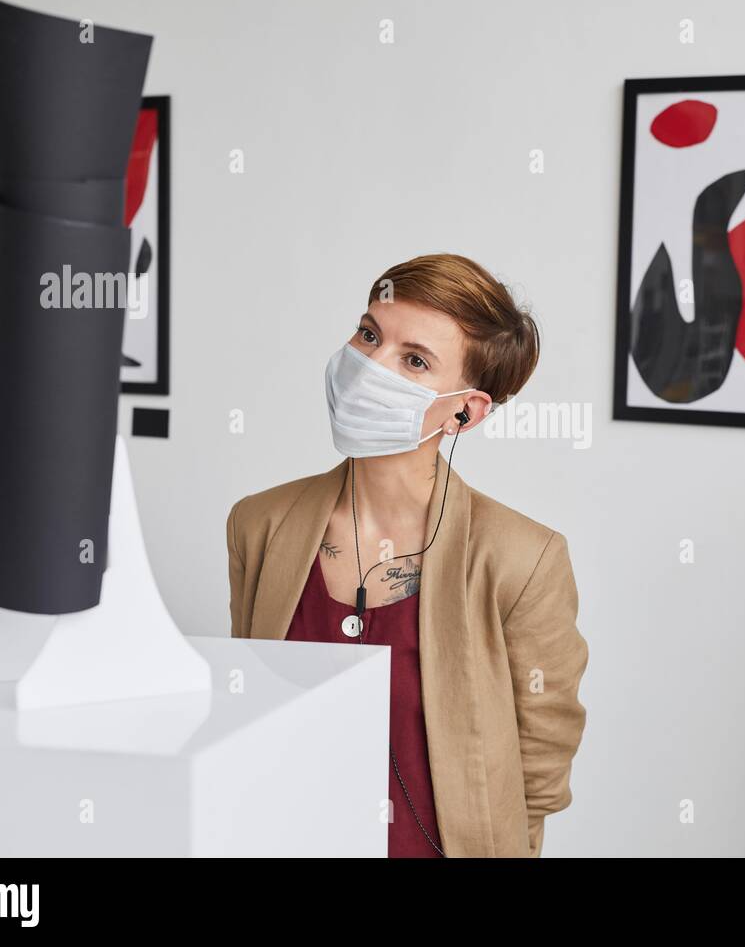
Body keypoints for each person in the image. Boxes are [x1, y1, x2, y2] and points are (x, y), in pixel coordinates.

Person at [226, 253, 589, 858]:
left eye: (414, 360)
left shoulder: (525, 559)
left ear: (466, 411)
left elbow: (540, 767)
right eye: (369, 334)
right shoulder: (260, 525)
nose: (369, 365)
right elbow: (248, 712)